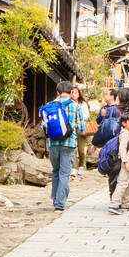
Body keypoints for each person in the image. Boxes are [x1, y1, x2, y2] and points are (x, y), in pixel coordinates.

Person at [45, 81, 81, 210]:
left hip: (53, 143)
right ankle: (60, 203)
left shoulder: (49, 106)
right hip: (69, 143)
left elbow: (44, 126)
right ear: (71, 92)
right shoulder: (75, 106)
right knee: (64, 173)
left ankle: (55, 199)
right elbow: (81, 127)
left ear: (57, 92)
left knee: (55, 171)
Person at [109, 111, 129, 215]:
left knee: (126, 182)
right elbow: (122, 149)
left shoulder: (128, 132)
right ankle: (114, 204)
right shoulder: (126, 133)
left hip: (128, 159)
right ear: (124, 123)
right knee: (122, 182)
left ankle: (126, 203)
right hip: (125, 160)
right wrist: (126, 161)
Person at [69, 85, 91, 177]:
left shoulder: (83, 103)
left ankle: (81, 164)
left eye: (76, 92)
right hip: (71, 129)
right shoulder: (68, 103)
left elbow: (87, 116)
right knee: (73, 149)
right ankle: (74, 168)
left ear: (79, 94)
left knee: (81, 150)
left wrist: (77, 116)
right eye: (72, 92)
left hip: (81, 128)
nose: (74, 94)